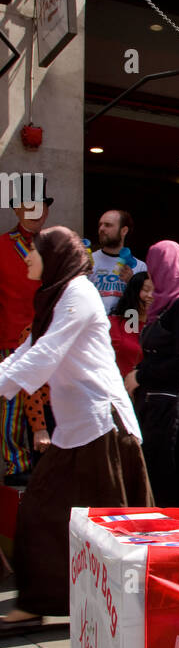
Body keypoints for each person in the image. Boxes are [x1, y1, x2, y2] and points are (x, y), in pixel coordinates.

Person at [0, 227, 151, 636]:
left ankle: (132, 610)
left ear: (55, 257)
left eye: (35, 251)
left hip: (104, 430)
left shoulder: (79, 294)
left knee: (115, 530)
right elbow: (27, 349)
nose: (28, 257)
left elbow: (47, 353)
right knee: (39, 513)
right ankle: (35, 605)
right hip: (75, 432)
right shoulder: (54, 298)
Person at [124, 241, 179, 506]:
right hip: (160, 409)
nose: (151, 277)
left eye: (154, 269)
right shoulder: (164, 305)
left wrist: (140, 377)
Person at [0, 193, 52, 481]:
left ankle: (47, 465)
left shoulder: (53, 244)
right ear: (18, 210)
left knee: (48, 402)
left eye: (41, 207)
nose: (36, 213)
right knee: (13, 404)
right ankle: (16, 465)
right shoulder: (1, 246)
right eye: (29, 207)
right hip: (10, 335)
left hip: (49, 337)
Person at [89, 209, 147, 315]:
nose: (101, 229)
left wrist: (132, 282)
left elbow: (146, 305)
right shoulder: (88, 261)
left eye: (108, 225)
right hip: (96, 326)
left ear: (124, 231)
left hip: (128, 325)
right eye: (100, 225)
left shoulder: (140, 267)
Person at [108, 271, 153, 380]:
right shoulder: (113, 323)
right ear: (134, 291)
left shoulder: (162, 327)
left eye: (156, 291)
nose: (150, 295)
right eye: (146, 290)